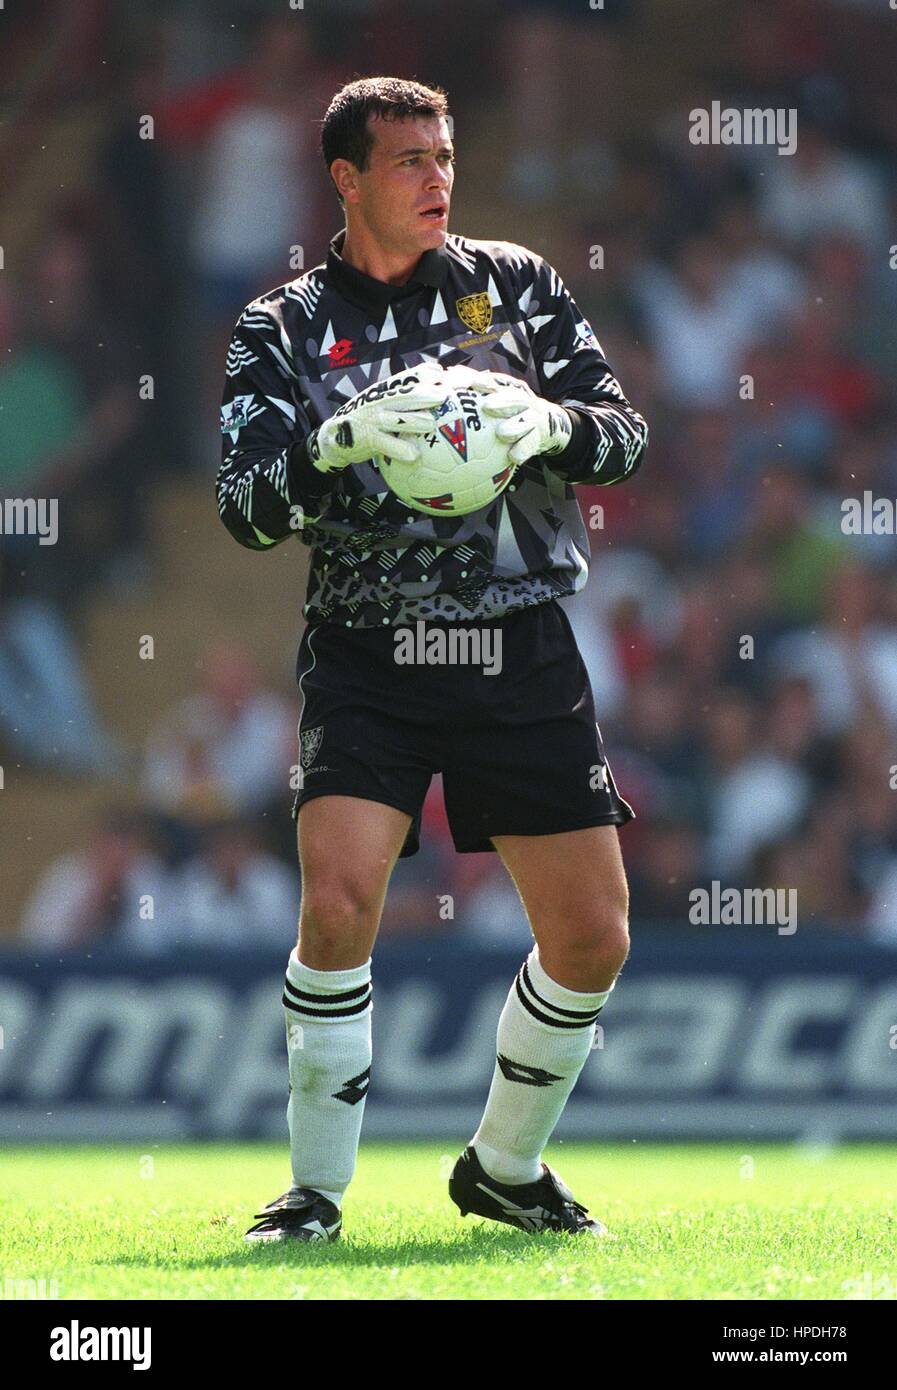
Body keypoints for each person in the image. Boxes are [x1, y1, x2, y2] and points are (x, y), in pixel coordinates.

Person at [216, 77, 648, 1244]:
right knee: (341, 902)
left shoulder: (520, 286)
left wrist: (552, 425)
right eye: (408, 160)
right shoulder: (284, 325)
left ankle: (504, 1166)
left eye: (445, 155)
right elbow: (245, 509)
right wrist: (331, 445)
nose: (438, 177)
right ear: (346, 180)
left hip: (522, 641)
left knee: (595, 934)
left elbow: (624, 433)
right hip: (369, 650)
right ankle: (312, 1193)